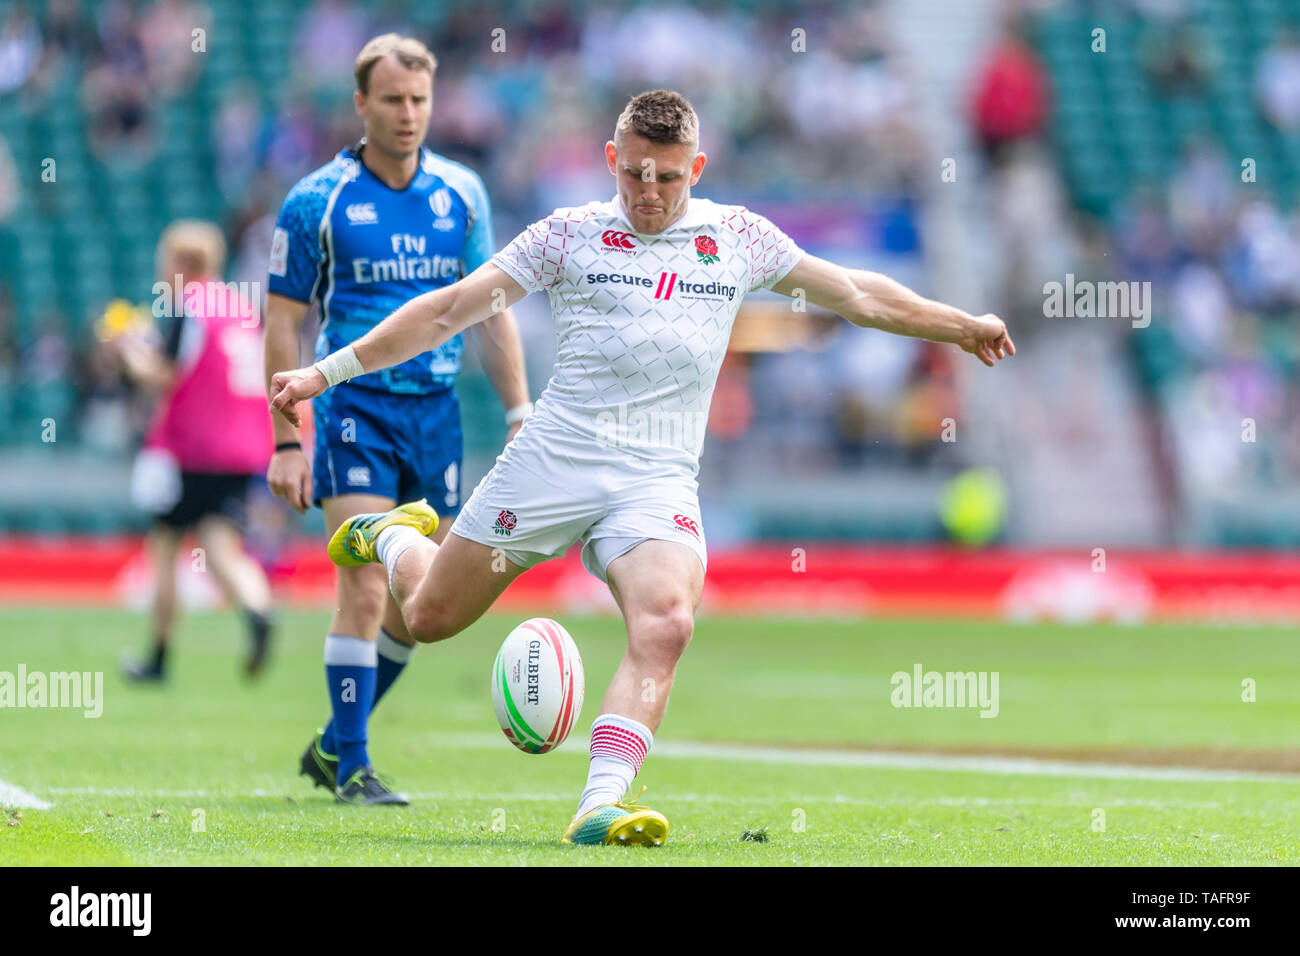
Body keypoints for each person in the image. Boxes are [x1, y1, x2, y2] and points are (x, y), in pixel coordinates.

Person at [270, 90, 1015, 844]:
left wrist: (960, 327)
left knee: (667, 622)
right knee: (429, 618)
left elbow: (856, 292)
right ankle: (395, 536)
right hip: (555, 459)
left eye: (667, 177)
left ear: (696, 166)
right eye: (634, 176)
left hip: (657, 476)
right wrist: (325, 374)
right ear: (610, 162)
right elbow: (447, 310)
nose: (649, 194)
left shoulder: (738, 238)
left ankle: (601, 803)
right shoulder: (566, 235)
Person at [263, 34, 530, 805]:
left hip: (436, 415)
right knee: (365, 588)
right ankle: (354, 769)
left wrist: (519, 410)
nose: (408, 114)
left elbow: (491, 309)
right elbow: (282, 324)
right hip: (352, 411)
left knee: (424, 608)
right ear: (360, 104)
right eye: (392, 100)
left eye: (419, 100)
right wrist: (286, 438)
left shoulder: (463, 196)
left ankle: (331, 743)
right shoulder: (318, 198)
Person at [119, 220, 275, 682]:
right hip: (242, 450)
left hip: (193, 450)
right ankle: (257, 609)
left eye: (166, 263)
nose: (163, 273)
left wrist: (129, 352)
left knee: (165, 548)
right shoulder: (241, 308)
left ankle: (159, 658)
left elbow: (168, 375)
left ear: (183, 264)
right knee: (222, 548)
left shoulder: (194, 307)